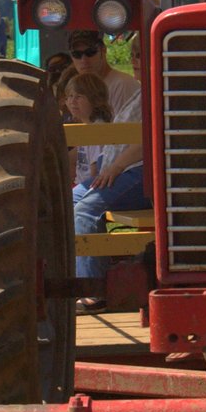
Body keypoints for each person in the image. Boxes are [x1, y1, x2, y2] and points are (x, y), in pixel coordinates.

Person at [73, 35, 147, 310]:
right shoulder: (142, 90)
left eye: (142, 54)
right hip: (118, 168)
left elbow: (148, 143)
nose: (136, 60)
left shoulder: (161, 91)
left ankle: (94, 291)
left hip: (140, 173)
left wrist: (114, 166)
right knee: (70, 201)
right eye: (134, 54)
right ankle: (77, 276)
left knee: (85, 211)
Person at [66, 28, 139, 113]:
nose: (84, 60)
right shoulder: (77, 89)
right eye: (77, 54)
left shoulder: (122, 85)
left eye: (90, 52)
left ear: (103, 50)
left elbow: (125, 125)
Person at [62, 71, 113, 185]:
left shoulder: (97, 131)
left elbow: (95, 172)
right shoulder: (86, 127)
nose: (72, 101)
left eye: (79, 97)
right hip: (80, 184)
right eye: (70, 96)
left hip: (88, 187)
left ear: (95, 100)